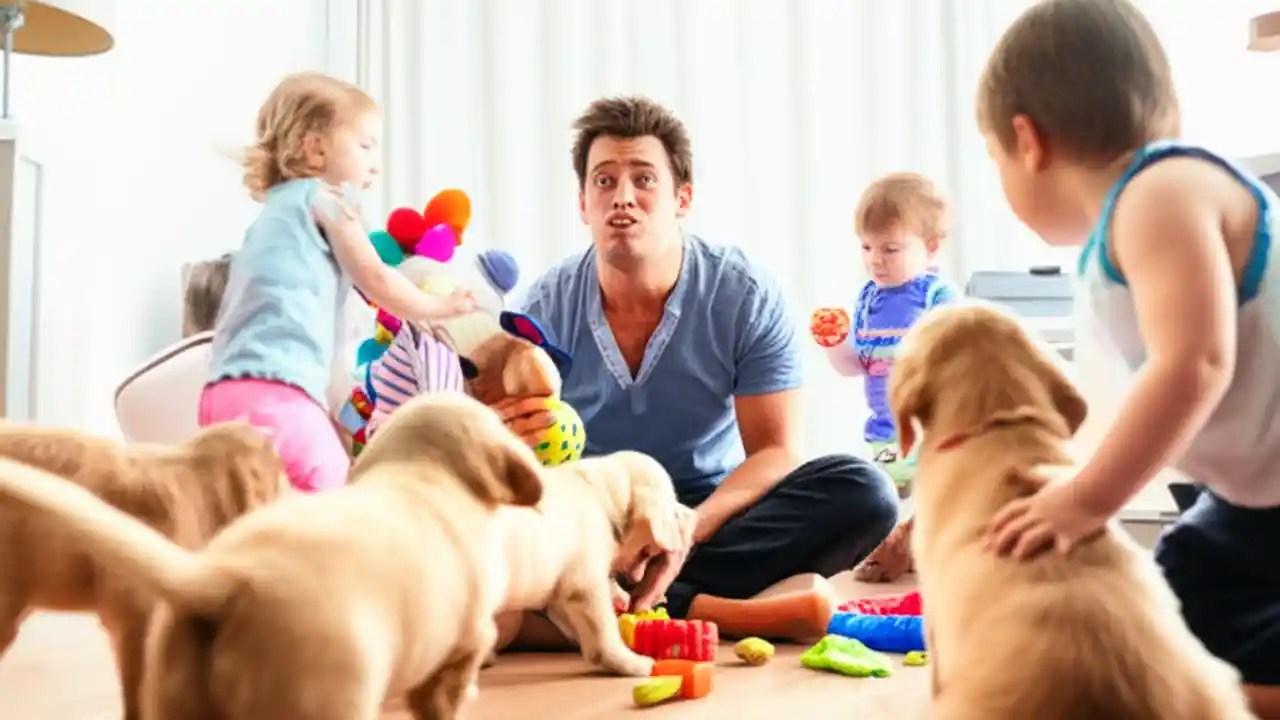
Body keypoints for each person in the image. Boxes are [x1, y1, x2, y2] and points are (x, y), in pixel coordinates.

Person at [975, 1, 1280, 715]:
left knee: (1178, 627)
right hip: (1253, 506)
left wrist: (1085, 499)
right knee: (1173, 601)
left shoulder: (1160, 191)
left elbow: (1195, 365)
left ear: (1027, 140)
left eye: (992, 157)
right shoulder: (1134, 219)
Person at [501, 95, 899, 642]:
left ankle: (607, 604)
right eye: (604, 181)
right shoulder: (543, 307)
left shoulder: (744, 295)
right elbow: (513, 457)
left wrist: (687, 527)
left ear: (681, 197)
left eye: (644, 180)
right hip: (591, 520)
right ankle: (697, 606)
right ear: (582, 203)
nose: (623, 197)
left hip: (708, 515)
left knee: (864, 491)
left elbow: (775, 451)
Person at [202, 72, 476, 492]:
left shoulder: (273, 217)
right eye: (365, 146)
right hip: (275, 394)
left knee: (257, 515)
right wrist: (440, 307)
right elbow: (376, 276)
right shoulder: (325, 199)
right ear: (316, 150)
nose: (376, 163)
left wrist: (334, 415)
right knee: (337, 498)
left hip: (221, 394)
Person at [822, 172, 960, 583]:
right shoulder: (867, 299)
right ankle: (888, 555)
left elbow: (953, 356)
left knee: (936, 500)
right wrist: (834, 343)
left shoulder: (938, 296)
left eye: (890, 249)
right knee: (882, 500)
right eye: (866, 247)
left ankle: (928, 559)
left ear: (931, 247)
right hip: (884, 430)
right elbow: (855, 366)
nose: (875, 259)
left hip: (932, 428)